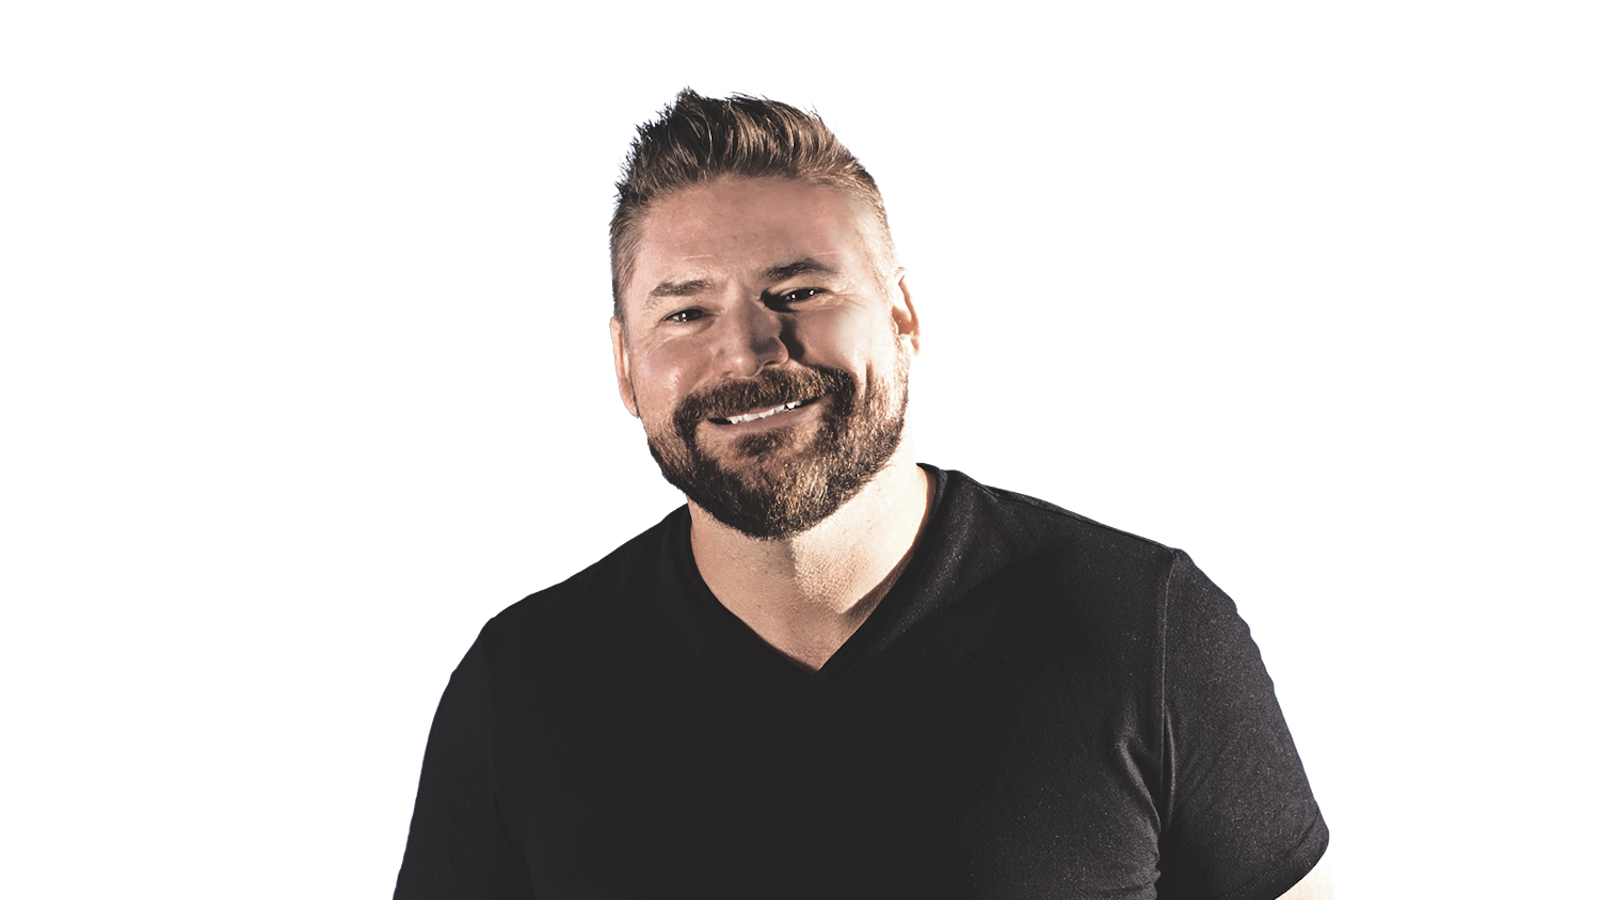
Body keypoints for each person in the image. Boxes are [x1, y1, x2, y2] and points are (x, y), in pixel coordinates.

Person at [393, 81, 1333, 899]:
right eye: (686, 312)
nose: (746, 352)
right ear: (626, 366)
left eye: (799, 292)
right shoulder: (520, 686)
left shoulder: (1147, 627)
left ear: (904, 314)